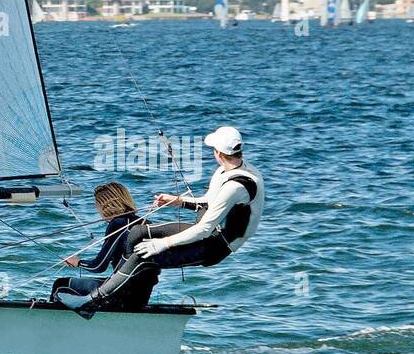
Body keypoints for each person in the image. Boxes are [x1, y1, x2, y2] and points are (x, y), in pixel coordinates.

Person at [60, 125, 264, 311]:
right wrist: (178, 201)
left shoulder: (237, 186)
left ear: (218, 153)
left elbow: (204, 229)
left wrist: (162, 244)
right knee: (137, 233)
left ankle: (91, 301)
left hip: (215, 245)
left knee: (142, 255)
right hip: (206, 231)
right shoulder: (225, 171)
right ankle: (124, 290)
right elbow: (208, 202)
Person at [51, 182, 158, 310]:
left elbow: (99, 266)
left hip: (121, 294)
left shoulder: (118, 223)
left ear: (103, 205)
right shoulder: (146, 223)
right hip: (141, 296)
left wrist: (78, 262)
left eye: (97, 205)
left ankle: (51, 321)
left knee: (60, 284)